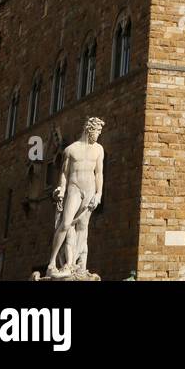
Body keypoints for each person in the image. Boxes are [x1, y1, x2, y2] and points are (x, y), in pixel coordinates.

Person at [46, 117, 104, 276]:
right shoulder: (71, 150)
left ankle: (75, 264)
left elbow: (99, 174)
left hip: (90, 189)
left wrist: (99, 194)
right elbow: (64, 174)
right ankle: (52, 263)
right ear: (89, 129)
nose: (98, 135)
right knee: (65, 224)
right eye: (97, 131)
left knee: (83, 227)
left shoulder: (99, 149)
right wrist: (61, 190)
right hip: (74, 187)